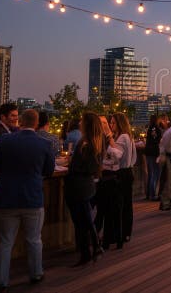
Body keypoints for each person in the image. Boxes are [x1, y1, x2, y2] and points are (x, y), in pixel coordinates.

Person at [0, 109, 55, 292]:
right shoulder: (44, 144)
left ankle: (1, 281)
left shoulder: (5, 140)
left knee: (5, 242)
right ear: (36, 123)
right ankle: (36, 273)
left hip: (7, 197)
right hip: (32, 197)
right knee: (34, 239)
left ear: (21, 122)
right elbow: (49, 171)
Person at [65, 112, 103, 266]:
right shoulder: (94, 142)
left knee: (81, 220)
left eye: (82, 121)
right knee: (85, 219)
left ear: (86, 124)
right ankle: (92, 249)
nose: (79, 123)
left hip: (78, 186)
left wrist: (72, 165)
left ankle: (91, 249)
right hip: (86, 186)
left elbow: (87, 166)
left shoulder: (86, 143)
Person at [94, 115, 124, 250]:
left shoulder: (110, 139)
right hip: (103, 179)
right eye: (103, 123)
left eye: (106, 123)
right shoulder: (97, 140)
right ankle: (98, 239)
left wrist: (109, 137)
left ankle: (104, 240)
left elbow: (117, 156)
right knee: (102, 211)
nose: (106, 125)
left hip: (110, 179)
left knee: (104, 211)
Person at [111, 113, 136, 244]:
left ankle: (121, 233)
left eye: (113, 123)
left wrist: (109, 140)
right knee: (126, 204)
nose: (111, 125)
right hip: (128, 172)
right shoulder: (128, 137)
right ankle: (125, 233)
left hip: (122, 173)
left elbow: (116, 155)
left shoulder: (122, 137)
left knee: (122, 205)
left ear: (120, 124)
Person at [158, 115, 171, 211]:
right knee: (169, 181)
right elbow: (164, 145)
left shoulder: (169, 131)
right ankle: (166, 202)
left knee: (169, 180)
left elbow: (162, 145)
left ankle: (166, 202)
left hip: (169, 156)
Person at [145, 115, 162, 200]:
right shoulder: (155, 128)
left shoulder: (150, 128)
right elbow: (155, 139)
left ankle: (148, 194)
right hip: (154, 153)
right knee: (155, 173)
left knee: (150, 173)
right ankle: (153, 194)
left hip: (148, 152)